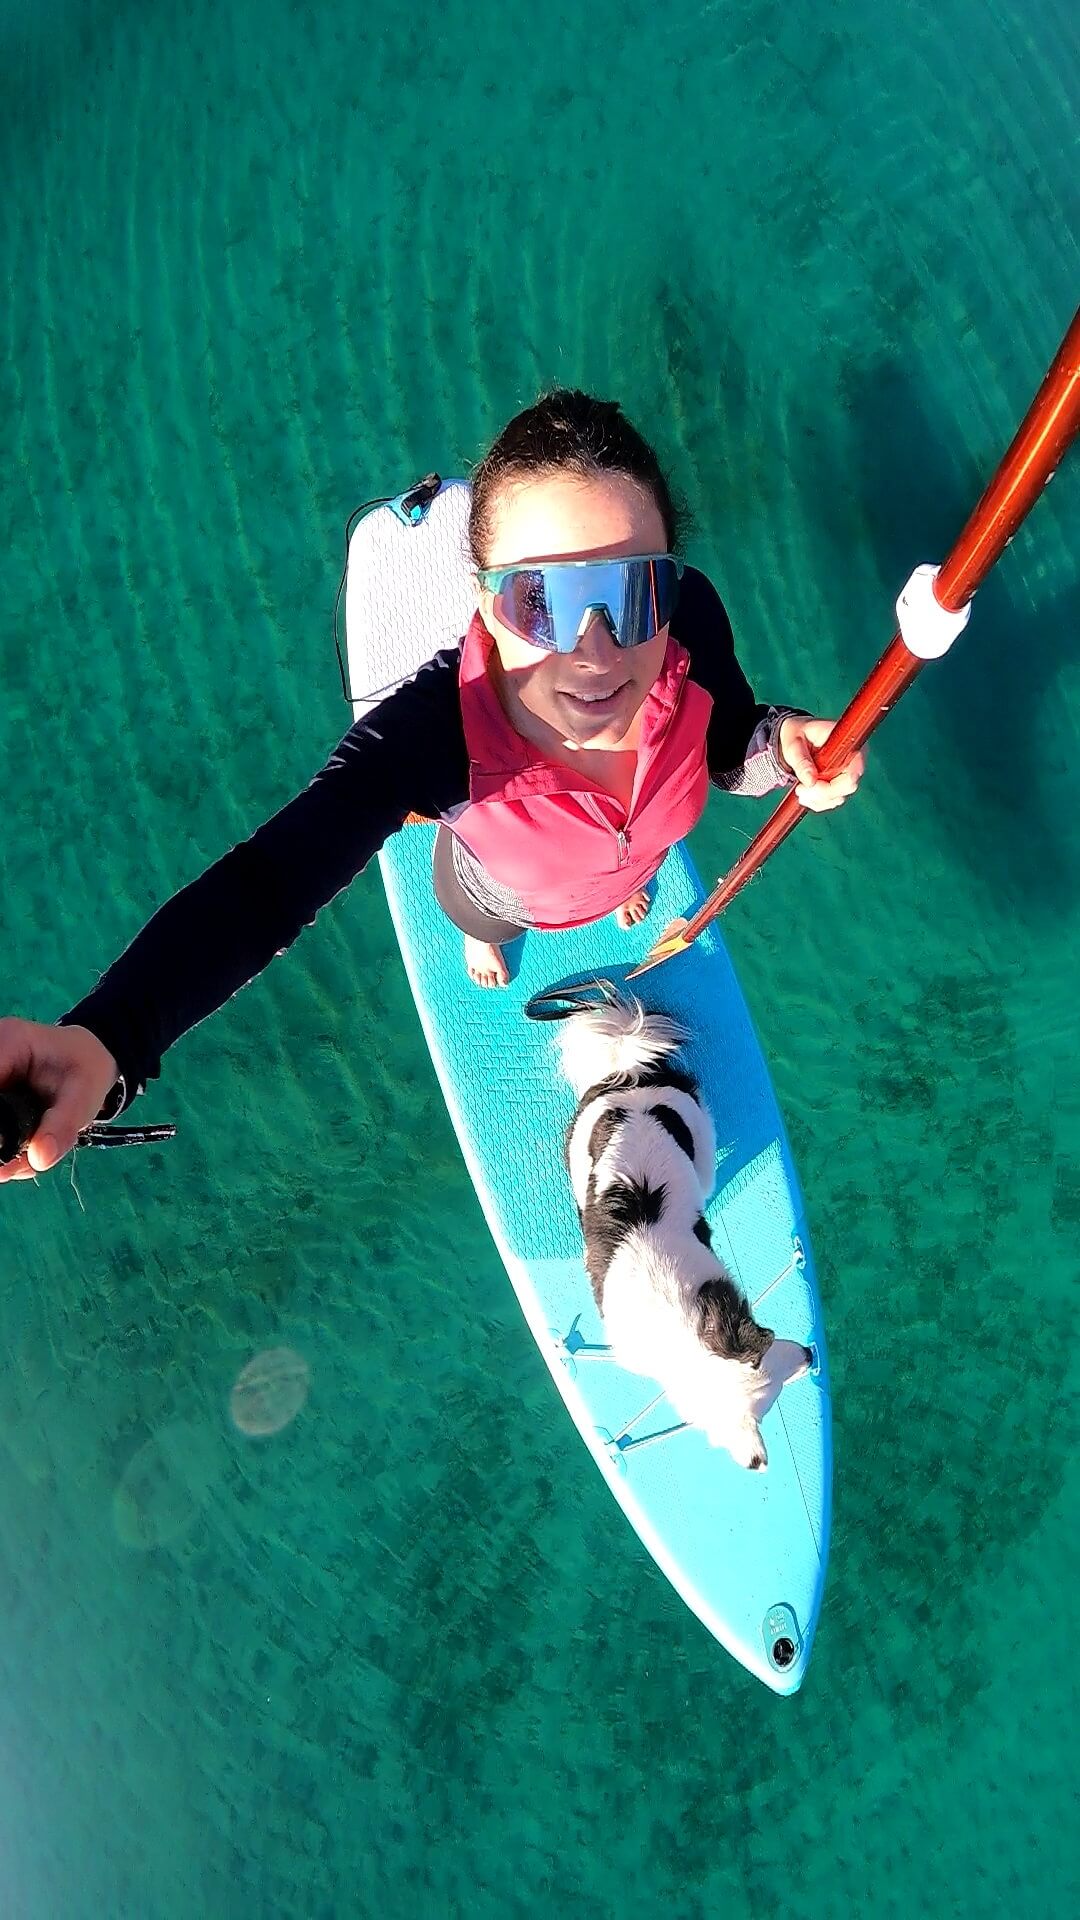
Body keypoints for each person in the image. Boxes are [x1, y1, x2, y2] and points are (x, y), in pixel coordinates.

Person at [0, 389, 864, 1185]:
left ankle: (617, 885)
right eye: (540, 601)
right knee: (484, 912)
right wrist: (113, 1036)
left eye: (632, 592)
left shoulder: (692, 619)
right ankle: (481, 937)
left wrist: (782, 746)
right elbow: (267, 885)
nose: (595, 654)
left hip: (629, 861)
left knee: (619, 879)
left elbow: (727, 740)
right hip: (498, 887)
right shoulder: (430, 733)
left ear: (670, 584)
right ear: (485, 604)